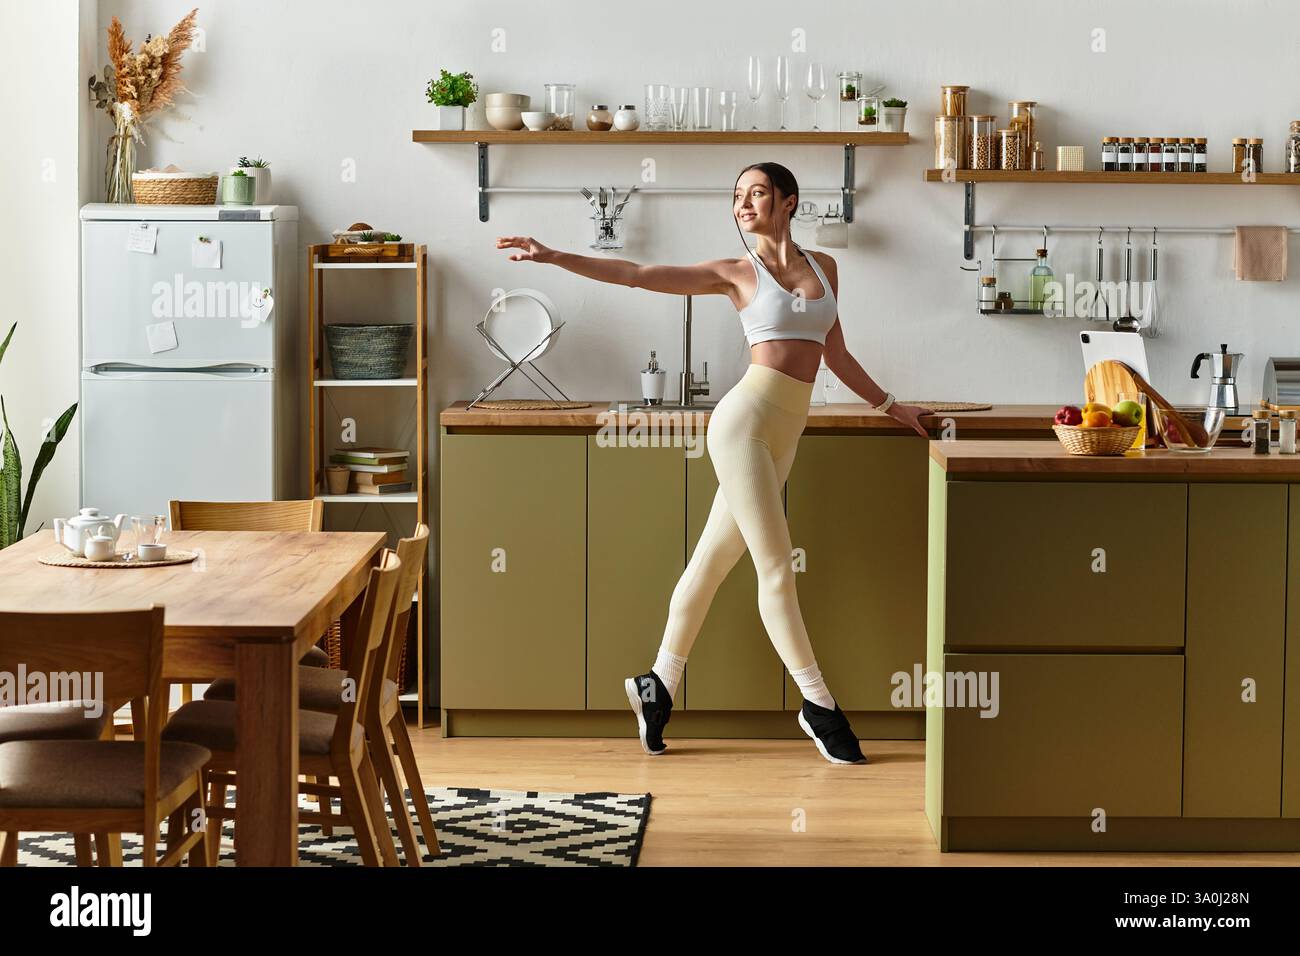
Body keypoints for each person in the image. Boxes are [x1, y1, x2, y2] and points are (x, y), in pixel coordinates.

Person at [496, 161, 929, 764]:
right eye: (737, 196)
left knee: (711, 563)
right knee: (776, 569)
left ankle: (658, 685)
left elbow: (836, 353)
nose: (744, 204)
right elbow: (637, 274)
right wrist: (553, 256)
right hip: (743, 425)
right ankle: (820, 705)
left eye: (757, 194)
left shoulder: (825, 270)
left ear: (789, 201)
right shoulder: (736, 273)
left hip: (785, 433)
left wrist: (892, 407)